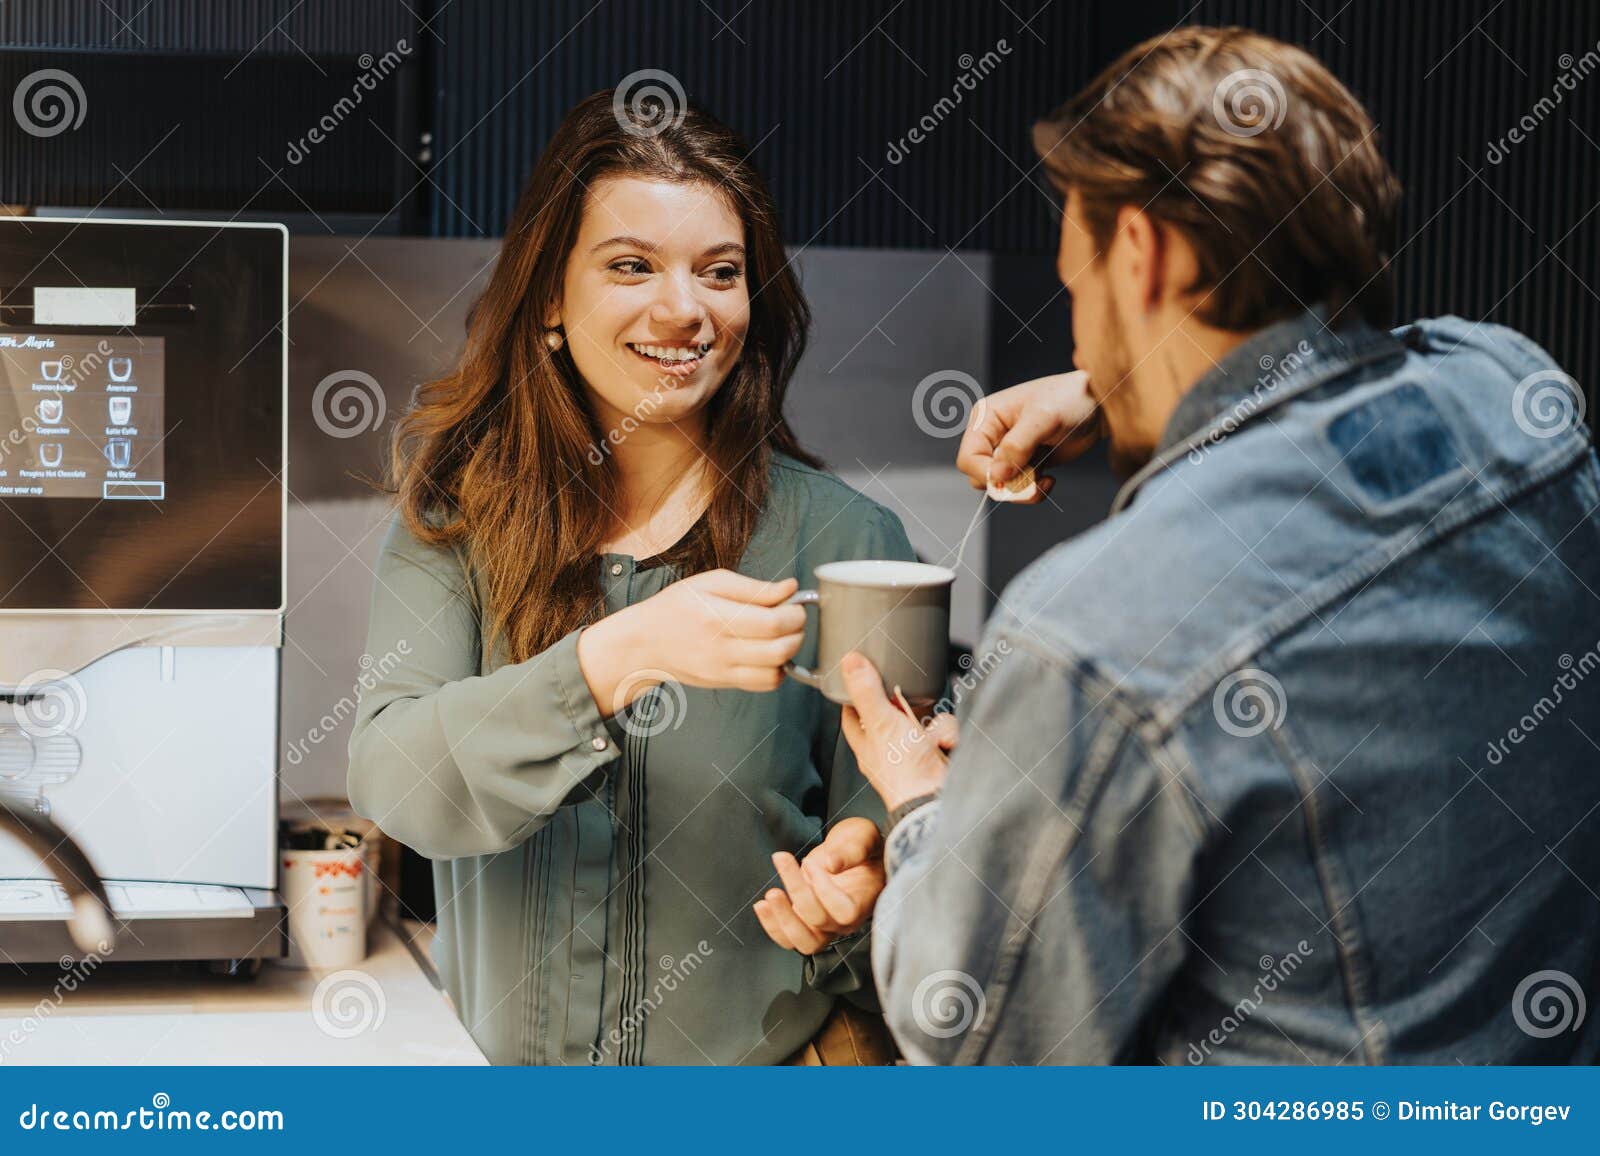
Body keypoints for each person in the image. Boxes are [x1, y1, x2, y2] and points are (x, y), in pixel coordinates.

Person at [759, 26, 1600, 1063]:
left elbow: (975, 1041)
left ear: (1144, 255)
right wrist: (1118, 387)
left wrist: (926, 806)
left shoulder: (1091, 633)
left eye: (1078, 288)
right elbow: (1351, 373)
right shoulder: (1517, 402)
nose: (1075, 334)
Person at [347, 91, 915, 1065]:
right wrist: (615, 657)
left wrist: (864, 879)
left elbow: (905, 814)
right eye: (631, 266)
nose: (682, 308)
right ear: (552, 304)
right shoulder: (457, 524)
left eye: (719, 272)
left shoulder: (850, 540)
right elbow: (393, 780)